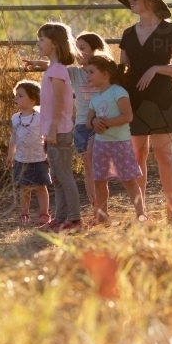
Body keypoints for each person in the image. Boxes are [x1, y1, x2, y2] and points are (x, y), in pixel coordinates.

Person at [114, 0, 172, 224]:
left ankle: (171, 212)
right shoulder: (127, 34)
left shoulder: (171, 31)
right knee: (138, 154)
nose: (131, 1)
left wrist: (156, 68)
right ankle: (141, 213)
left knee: (164, 154)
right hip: (133, 99)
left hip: (161, 99)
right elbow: (122, 69)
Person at [84, 54, 145, 223]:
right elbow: (88, 122)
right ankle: (103, 217)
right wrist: (94, 121)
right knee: (99, 180)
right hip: (101, 145)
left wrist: (106, 123)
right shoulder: (95, 97)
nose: (87, 76)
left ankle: (141, 213)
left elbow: (128, 116)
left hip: (120, 143)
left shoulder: (118, 92)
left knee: (128, 180)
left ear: (105, 74)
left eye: (91, 72)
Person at [36, 22, 82, 232]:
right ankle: (61, 216)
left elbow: (58, 102)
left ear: (53, 43)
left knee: (64, 176)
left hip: (59, 131)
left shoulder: (57, 71)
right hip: (53, 131)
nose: (39, 43)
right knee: (57, 177)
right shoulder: (54, 69)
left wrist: (53, 128)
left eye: (42, 40)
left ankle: (74, 218)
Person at [70, 32, 108, 213]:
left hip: (103, 124)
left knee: (100, 168)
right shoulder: (75, 72)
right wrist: (41, 65)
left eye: (82, 48)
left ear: (95, 51)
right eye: (75, 48)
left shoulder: (105, 73)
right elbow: (55, 67)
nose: (77, 52)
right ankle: (95, 207)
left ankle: (102, 207)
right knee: (89, 167)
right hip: (83, 125)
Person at [6, 80, 52, 226]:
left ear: (32, 99)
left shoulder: (40, 117)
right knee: (24, 187)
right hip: (21, 159)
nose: (16, 98)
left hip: (38, 158)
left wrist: (49, 156)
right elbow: (13, 138)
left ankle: (44, 213)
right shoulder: (15, 118)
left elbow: (46, 138)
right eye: (16, 95)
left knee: (40, 186)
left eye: (20, 96)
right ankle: (24, 213)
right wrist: (10, 155)